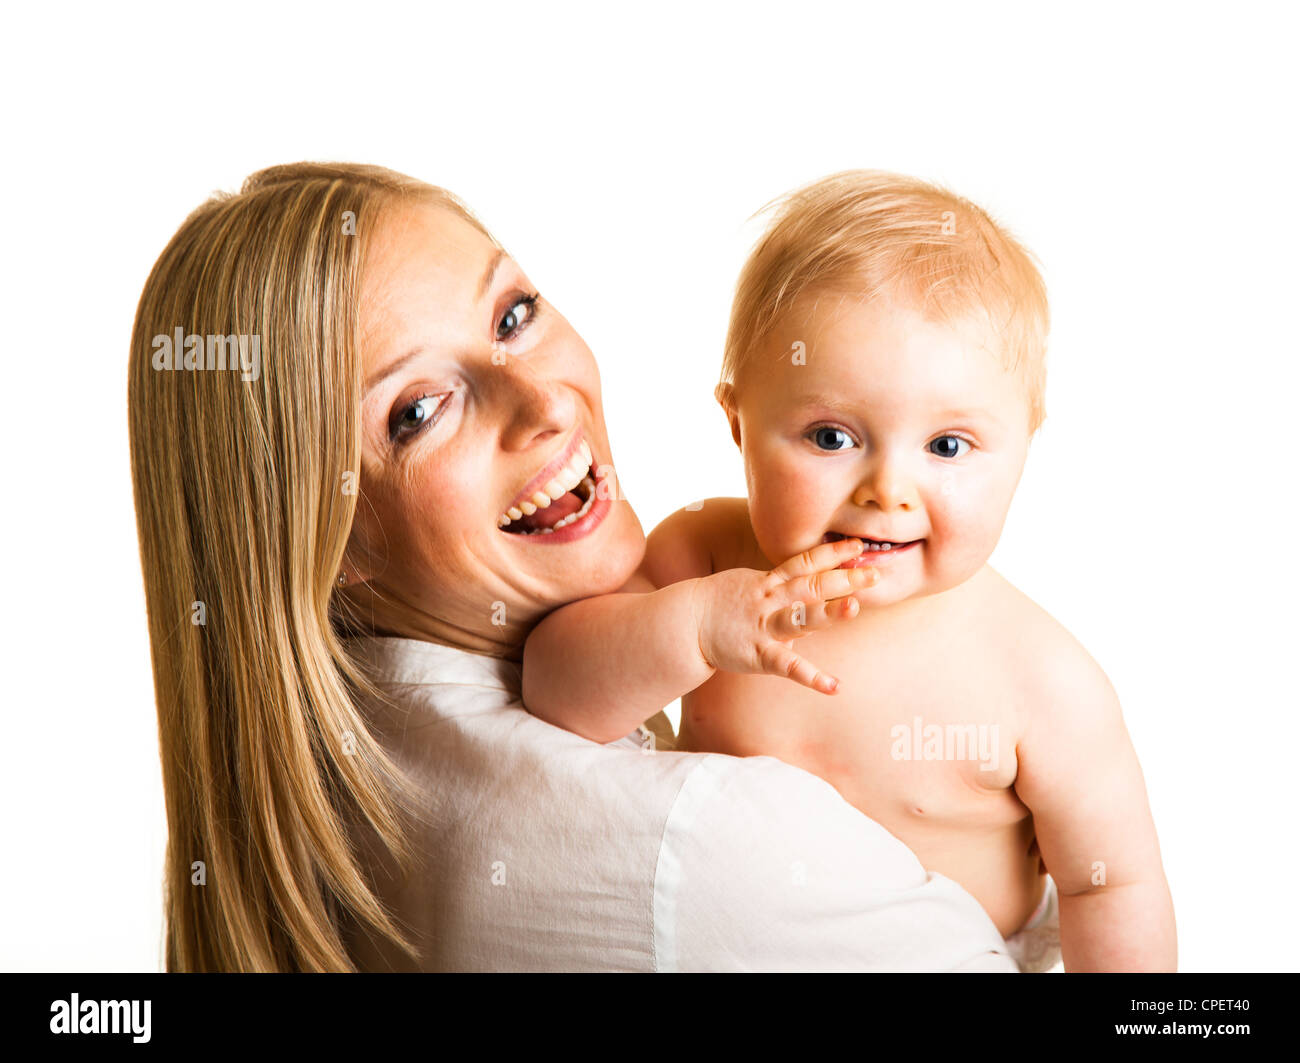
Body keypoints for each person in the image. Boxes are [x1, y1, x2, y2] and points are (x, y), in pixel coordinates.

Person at [127, 162, 1017, 971]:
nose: (545, 399)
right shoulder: (709, 852)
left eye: (514, 315)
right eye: (420, 410)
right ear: (331, 539)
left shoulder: (319, 782)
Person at [520, 170, 1177, 972]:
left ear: (1027, 439)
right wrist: (695, 624)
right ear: (739, 425)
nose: (887, 491)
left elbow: (1111, 886)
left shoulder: (1042, 680)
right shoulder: (706, 557)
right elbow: (556, 691)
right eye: (831, 436)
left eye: (947, 446)